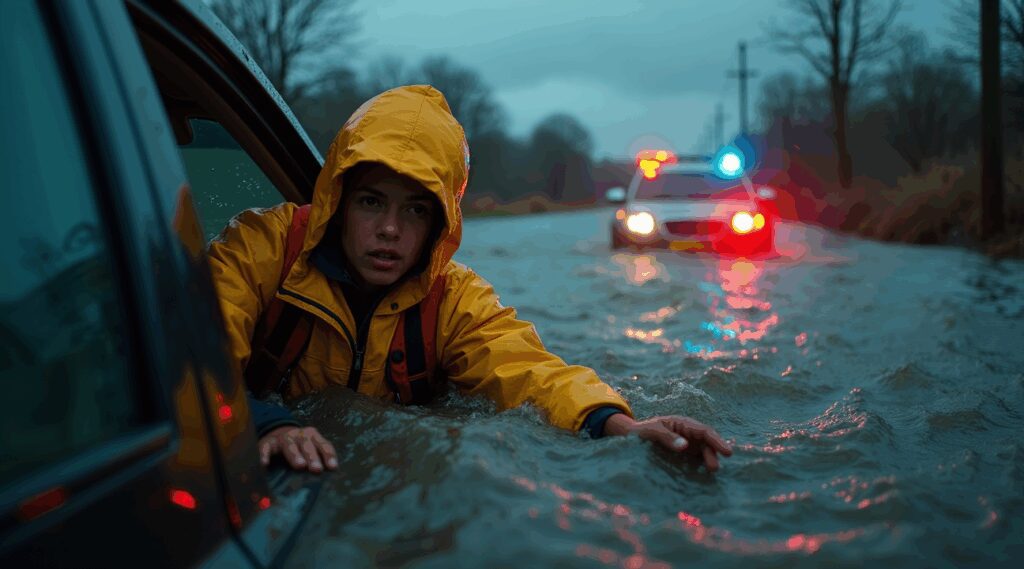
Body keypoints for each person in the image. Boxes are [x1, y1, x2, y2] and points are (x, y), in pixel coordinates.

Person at [208, 85, 732, 474]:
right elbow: (190, 356)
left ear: (440, 224)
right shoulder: (264, 249)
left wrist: (622, 425)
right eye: (371, 202)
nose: (390, 230)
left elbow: (531, 372)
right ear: (338, 201)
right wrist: (263, 422)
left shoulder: (453, 299)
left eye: (415, 210)